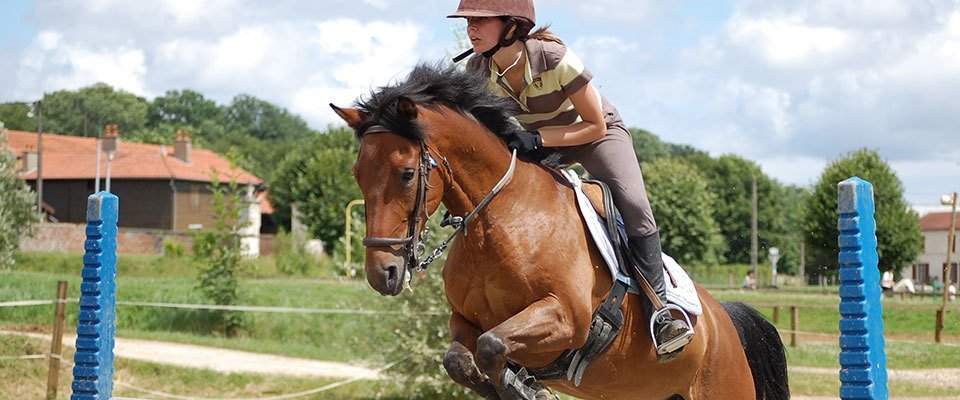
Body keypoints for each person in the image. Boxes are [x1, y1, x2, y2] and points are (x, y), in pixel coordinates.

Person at [448, 0, 693, 361]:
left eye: (481, 20)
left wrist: (540, 140)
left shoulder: (551, 55)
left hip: (597, 135)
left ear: (512, 25)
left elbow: (594, 124)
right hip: (541, 143)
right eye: (469, 20)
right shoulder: (478, 70)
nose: (471, 28)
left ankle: (661, 311)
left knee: (636, 205)